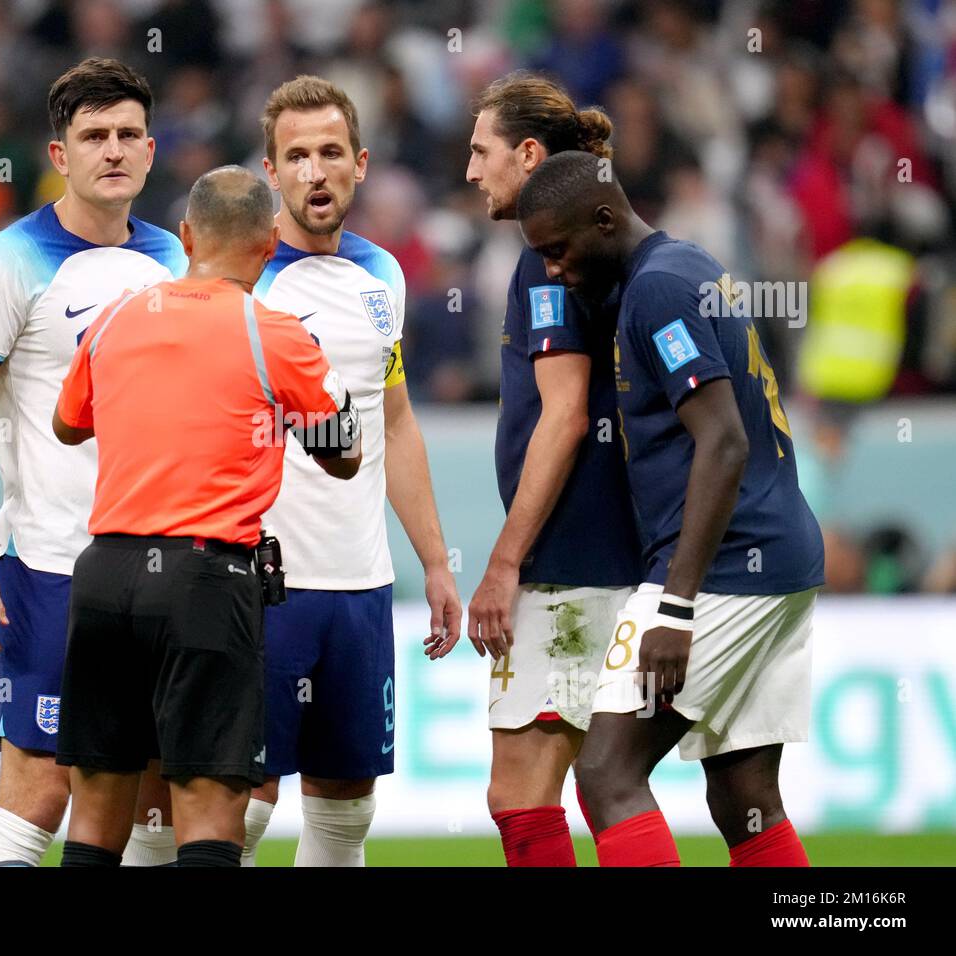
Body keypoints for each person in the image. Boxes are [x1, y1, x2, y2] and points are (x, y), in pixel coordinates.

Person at [517, 150, 825, 867]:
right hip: (777, 553)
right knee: (745, 797)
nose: (554, 271)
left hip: (720, 567)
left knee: (607, 774)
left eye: (558, 251)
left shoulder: (656, 291)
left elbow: (723, 442)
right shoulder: (690, 266)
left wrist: (676, 606)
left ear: (603, 220)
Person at [51, 165, 362, 868]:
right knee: (209, 816)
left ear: (187, 236)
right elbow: (344, 454)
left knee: (94, 821)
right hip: (204, 578)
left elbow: (68, 425)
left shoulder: (118, 318)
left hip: (103, 576)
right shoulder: (272, 333)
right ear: (270, 241)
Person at [0, 58, 186, 867]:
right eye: (93, 136)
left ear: (150, 151)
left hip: (166, 566)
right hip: (49, 566)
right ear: (60, 153)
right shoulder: (10, 260)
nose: (113, 150)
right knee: (39, 789)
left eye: (128, 135)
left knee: (154, 796)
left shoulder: (177, 260)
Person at [235, 76, 462, 868]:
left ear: (360, 164)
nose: (315, 171)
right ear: (270, 171)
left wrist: (434, 562)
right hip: (258, 583)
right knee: (236, 808)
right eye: (295, 156)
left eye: (331, 152)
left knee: (344, 814)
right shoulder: (239, 282)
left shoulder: (383, 279)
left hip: (360, 587)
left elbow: (393, 423)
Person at [463, 73, 642, 866]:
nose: (471, 171)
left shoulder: (548, 260)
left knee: (523, 794)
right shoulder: (599, 241)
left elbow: (565, 414)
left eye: (482, 151)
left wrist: (505, 563)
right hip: (611, 551)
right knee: (606, 783)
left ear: (528, 154)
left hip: (568, 562)